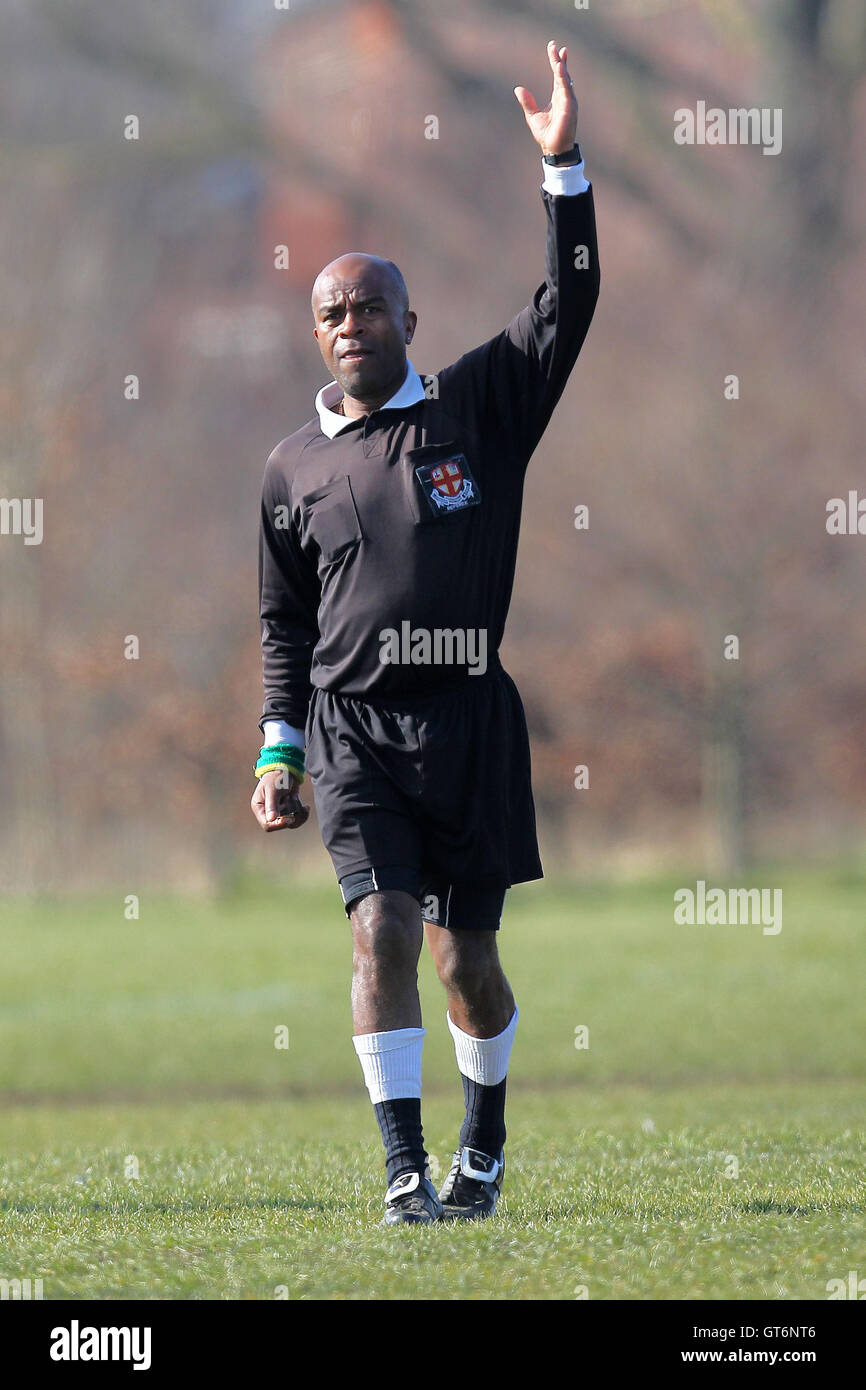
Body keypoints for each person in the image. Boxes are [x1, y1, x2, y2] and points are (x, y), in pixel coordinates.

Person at [251, 40, 599, 1224]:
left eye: (368, 304)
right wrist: (277, 747)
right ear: (317, 333)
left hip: (469, 721)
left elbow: (571, 303)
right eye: (329, 310)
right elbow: (280, 620)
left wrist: (562, 174)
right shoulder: (290, 469)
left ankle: (482, 1145)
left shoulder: (474, 410)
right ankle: (403, 1171)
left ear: (410, 314)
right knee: (381, 931)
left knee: (465, 961)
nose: (349, 321)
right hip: (352, 734)